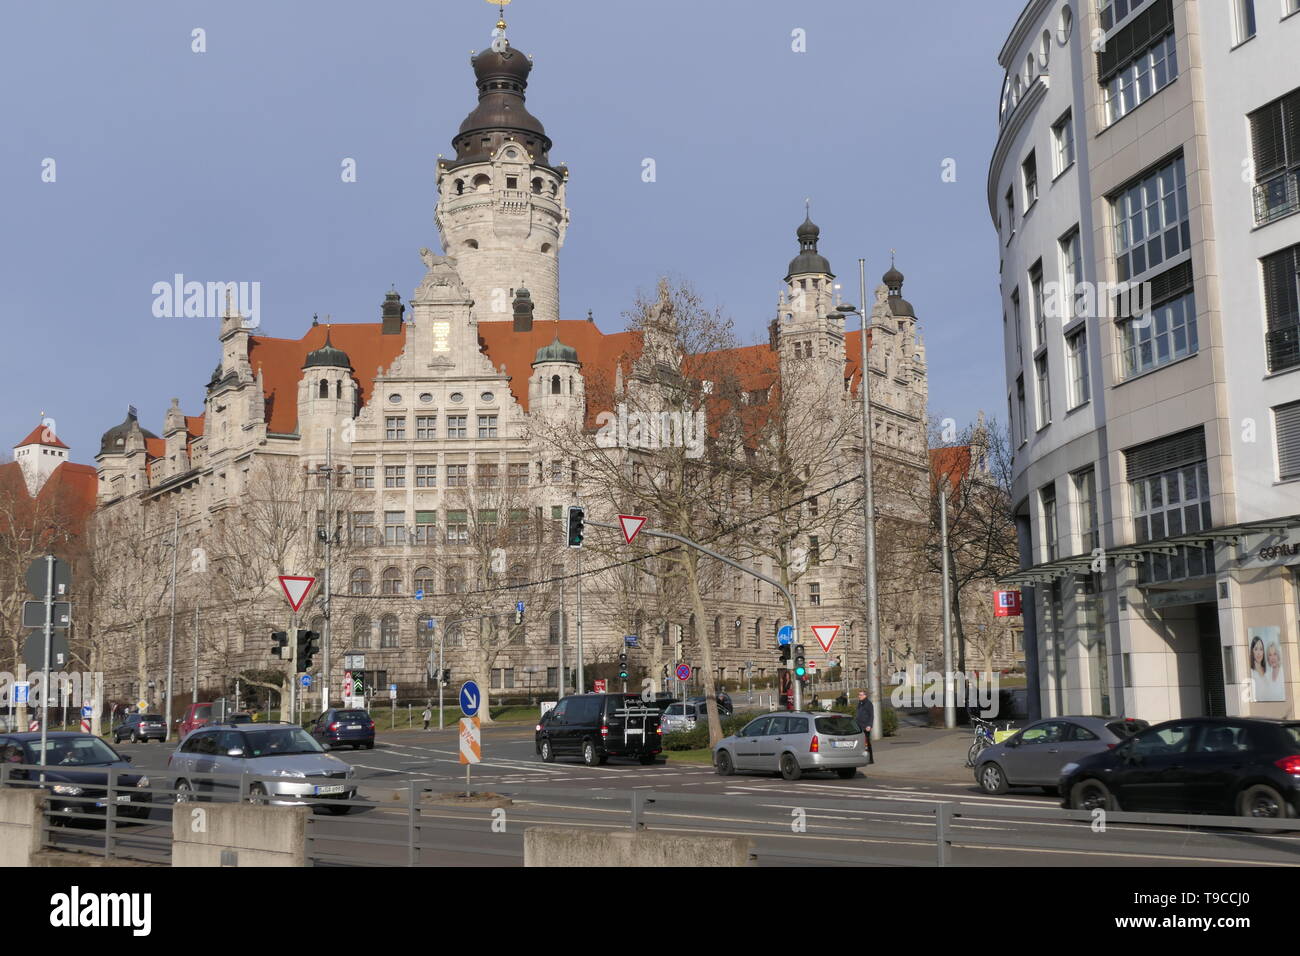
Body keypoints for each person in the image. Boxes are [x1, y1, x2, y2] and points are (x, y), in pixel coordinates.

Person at [855, 690, 875, 764]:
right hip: (859, 726)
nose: (859, 696)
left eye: (860, 695)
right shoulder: (860, 703)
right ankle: (861, 758)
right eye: (859, 695)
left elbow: (871, 715)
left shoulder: (868, 704)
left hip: (865, 726)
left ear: (865, 696)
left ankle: (870, 759)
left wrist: (869, 725)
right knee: (860, 743)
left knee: (867, 743)